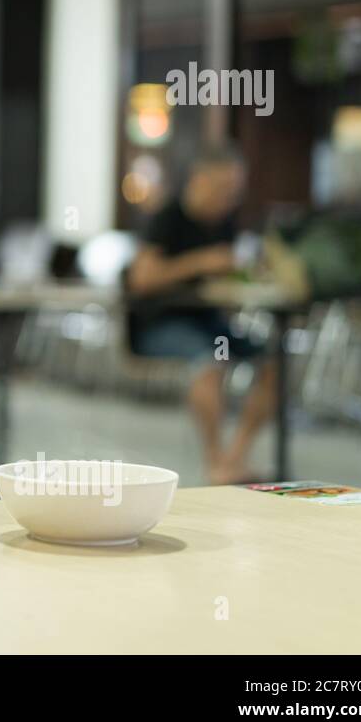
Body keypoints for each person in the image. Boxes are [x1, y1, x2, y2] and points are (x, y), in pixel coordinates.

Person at [126, 145, 277, 485]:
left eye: (235, 191)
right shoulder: (167, 217)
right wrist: (200, 262)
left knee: (274, 362)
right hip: (160, 323)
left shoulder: (226, 223)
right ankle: (215, 461)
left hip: (208, 322)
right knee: (209, 364)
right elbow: (141, 278)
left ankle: (232, 459)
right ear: (199, 181)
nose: (230, 198)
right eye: (224, 188)